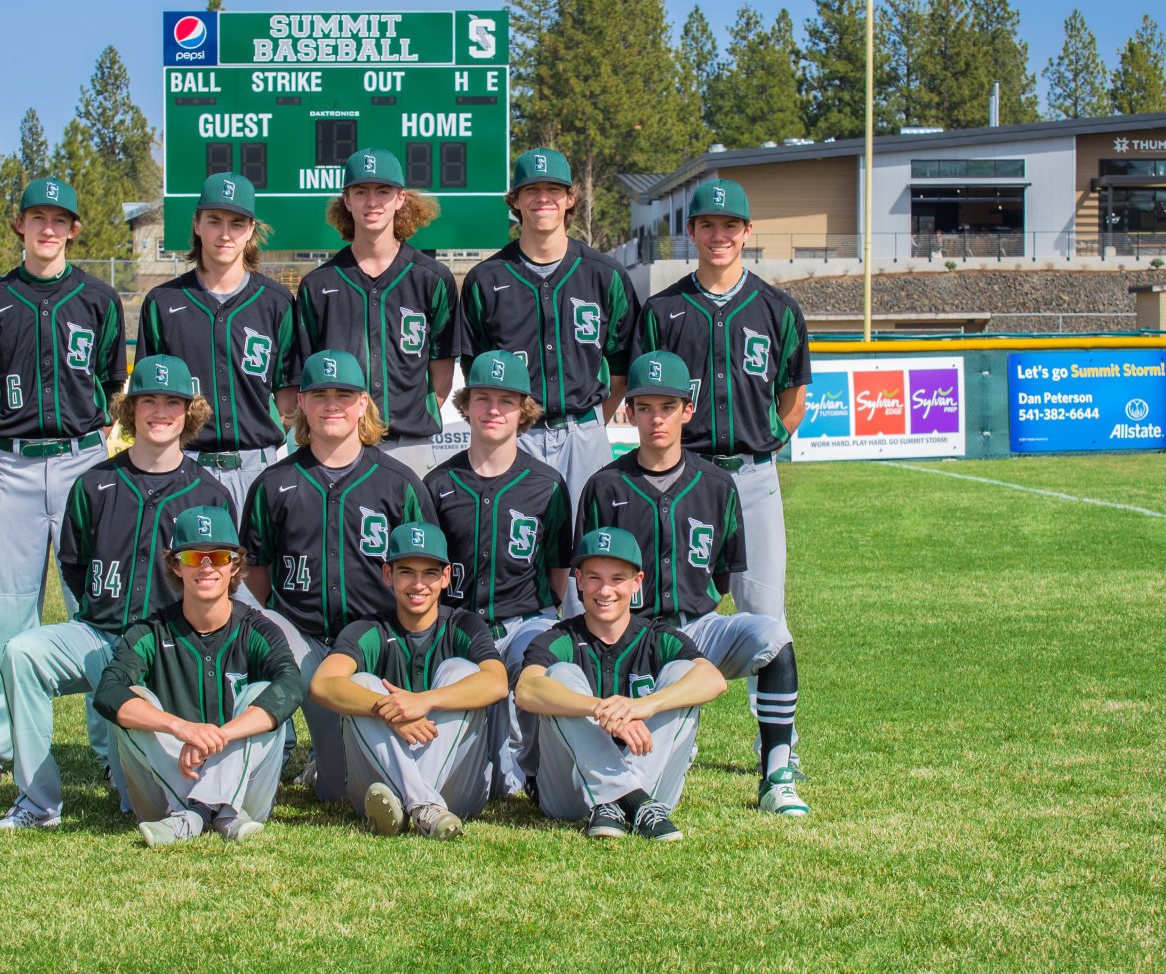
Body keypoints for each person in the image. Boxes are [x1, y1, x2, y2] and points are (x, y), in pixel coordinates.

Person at [0, 354, 233, 829]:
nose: (159, 412)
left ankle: (142, 779)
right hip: (98, 637)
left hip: (164, 654)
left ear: (189, 412)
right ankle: (37, 802)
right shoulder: (94, 483)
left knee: (136, 802)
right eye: (147, 401)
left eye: (172, 402)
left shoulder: (209, 494)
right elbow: (74, 564)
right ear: (128, 409)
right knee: (21, 653)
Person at [577, 351, 810, 817]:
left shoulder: (718, 485)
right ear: (630, 412)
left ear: (688, 409)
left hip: (698, 626)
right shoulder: (605, 486)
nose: (656, 419)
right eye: (645, 407)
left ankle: (777, 775)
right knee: (641, 757)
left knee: (773, 636)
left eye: (667, 407)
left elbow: (721, 576)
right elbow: (590, 579)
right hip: (634, 637)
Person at [0, 177, 126, 790]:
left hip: (85, 463)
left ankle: (111, 747)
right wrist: (16, 446)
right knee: (4, 612)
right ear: (20, 225)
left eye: (59, 219)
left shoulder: (99, 298)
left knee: (98, 606)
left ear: (75, 229)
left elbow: (112, 385)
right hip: (17, 464)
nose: (48, 228)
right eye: (37, 218)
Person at [241, 348, 435, 804]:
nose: (332, 405)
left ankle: (342, 764)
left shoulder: (399, 482)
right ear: (300, 404)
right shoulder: (274, 483)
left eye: (344, 395)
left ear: (363, 403)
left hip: (375, 645)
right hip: (304, 640)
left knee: (355, 782)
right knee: (338, 791)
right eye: (319, 395)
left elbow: (425, 573)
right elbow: (257, 575)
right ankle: (280, 765)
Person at [633, 177, 809, 626]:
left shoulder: (779, 309)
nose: (719, 236)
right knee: (675, 612)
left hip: (754, 478)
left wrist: (761, 448)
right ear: (691, 231)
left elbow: (793, 403)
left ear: (748, 231)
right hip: (684, 480)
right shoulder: (661, 310)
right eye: (708, 225)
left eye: (730, 225)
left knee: (765, 616)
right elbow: (645, 400)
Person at [95, 506, 302, 846]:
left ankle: (195, 814)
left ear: (234, 564)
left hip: (244, 788)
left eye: (218, 556)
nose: (206, 567)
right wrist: (181, 728)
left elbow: (290, 685)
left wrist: (219, 736)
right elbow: (108, 691)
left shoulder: (257, 628)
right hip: (167, 783)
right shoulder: (151, 631)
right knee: (135, 701)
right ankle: (211, 813)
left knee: (263, 693)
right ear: (176, 565)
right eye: (193, 557)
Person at [516, 528, 730, 839]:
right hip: (572, 792)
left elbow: (713, 679)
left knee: (684, 672)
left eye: (617, 579)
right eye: (594, 578)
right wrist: (601, 709)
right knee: (559, 677)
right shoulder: (560, 638)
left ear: (636, 582)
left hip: (650, 780)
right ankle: (634, 801)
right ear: (579, 579)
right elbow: (526, 690)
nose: (605, 591)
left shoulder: (656, 636)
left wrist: (643, 706)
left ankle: (624, 800)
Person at [423, 349, 571, 795]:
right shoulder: (438, 484)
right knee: (479, 768)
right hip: (460, 626)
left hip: (524, 621)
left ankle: (537, 771)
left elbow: (557, 571)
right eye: (482, 398)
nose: (493, 409)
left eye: (506, 400)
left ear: (523, 411)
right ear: (465, 405)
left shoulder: (547, 484)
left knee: (541, 664)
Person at [308, 521, 510, 839]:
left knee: (462, 671)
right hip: (377, 792)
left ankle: (413, 803)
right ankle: (423, 804)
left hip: (456, 789)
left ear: (446, 577)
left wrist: (422, 702)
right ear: (388, 574)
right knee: (362, 684)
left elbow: (497, 682)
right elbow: (322, 683)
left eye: (429, 573)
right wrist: (388, 709)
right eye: (406, 572)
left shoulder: (464, 624)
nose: (418, 584)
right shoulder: (369, 629)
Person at [458, 147, 636, 502]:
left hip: (583, 433)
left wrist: (592, 422)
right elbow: (474, 368)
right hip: (515, 436)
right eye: (532, 190)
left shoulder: (605, 274)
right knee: (516, 535)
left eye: (553, 189)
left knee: (590, 534)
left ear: (570, 199)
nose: (543, 198)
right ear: (515, 200)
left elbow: (622, 367)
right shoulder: (486, 279)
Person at [288, 148, 459, 476]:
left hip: (410, 444)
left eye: (383, 191)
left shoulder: (432, 278)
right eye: (361, 192)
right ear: (346, 200)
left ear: (400, 198)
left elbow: (442, 377)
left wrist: (406, 419)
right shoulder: (318, 285)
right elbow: (306, 376)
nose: (372, 202)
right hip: (338, 446)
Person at [137, 172, 297, 513]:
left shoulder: (276, 301)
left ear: (250, 230)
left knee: (257, 551)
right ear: (197, 224)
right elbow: (148, 396)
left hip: (258, 466)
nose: (225, 234)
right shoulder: (163, 303)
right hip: (186, 465)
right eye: (214, 221)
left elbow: (288, 398)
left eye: (236, 223)